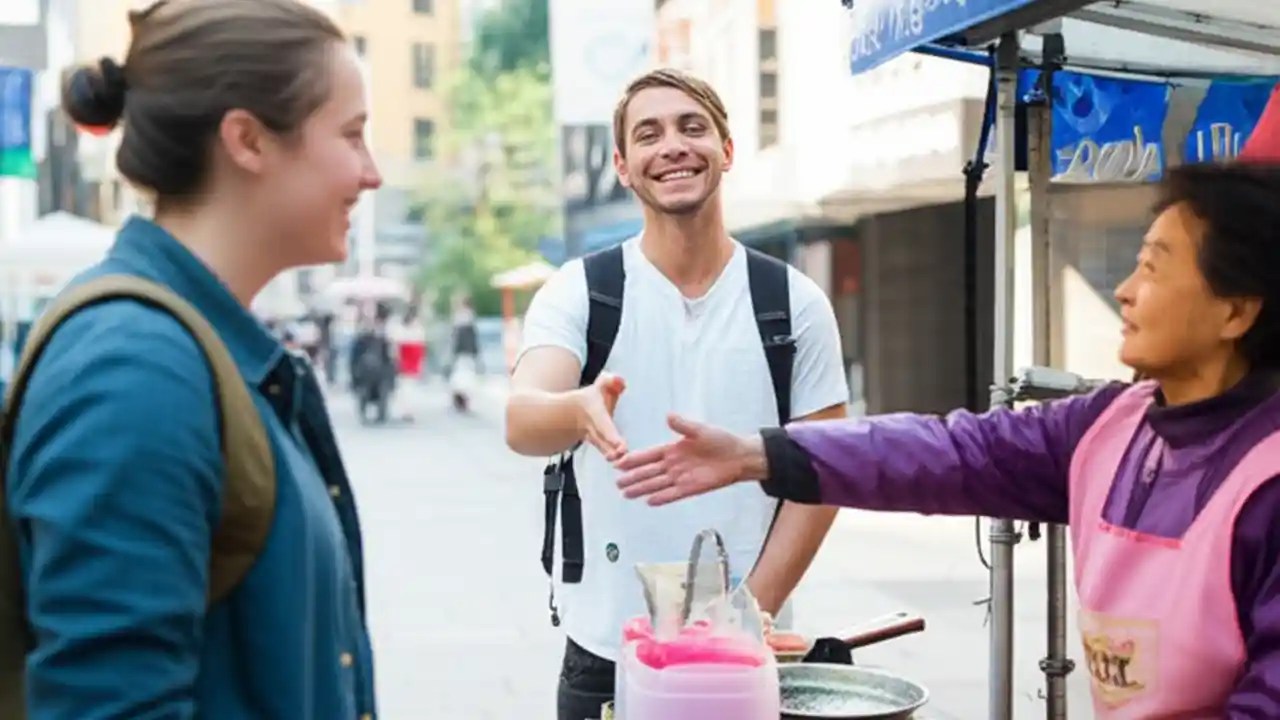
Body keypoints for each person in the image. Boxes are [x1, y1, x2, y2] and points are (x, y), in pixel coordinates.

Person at [614, 161, 1280, 717]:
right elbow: (952, 453)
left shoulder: (1266, 479)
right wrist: (760, 454)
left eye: (1156, 269)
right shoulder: (1108, 426)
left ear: (1237, 310)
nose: (1127, 292)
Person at [2, 1, 381, 717]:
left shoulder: (183, 349)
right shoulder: (135, 370)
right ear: (247, 139)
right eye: (353, 135)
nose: (371, 173)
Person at [504, 67, 850, 720]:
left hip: (748, 647)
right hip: (603, 650)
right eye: (649, 134)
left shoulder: (792, 304)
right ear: (623, 165)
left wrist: (748, 615)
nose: (673, 146)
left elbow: (824, 467)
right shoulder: (581, 291)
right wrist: (575, 409)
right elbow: (523, 421)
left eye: (693, 127)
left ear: (727, 149)